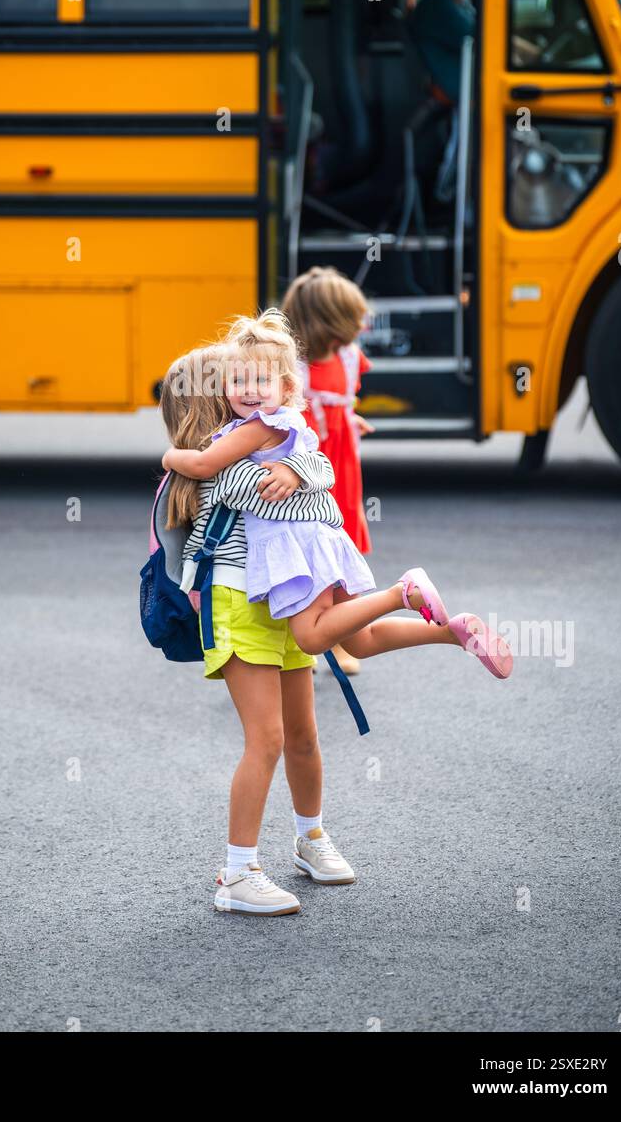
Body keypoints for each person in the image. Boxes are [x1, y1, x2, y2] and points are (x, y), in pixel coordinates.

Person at [161, 326, 513, 917]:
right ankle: (236, 874)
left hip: (283, 594)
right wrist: (304, 470)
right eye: (232, 383)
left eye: (254, 383)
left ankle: (312, 838)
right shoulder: (222, 468)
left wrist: (302, 470)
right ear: (210, 399)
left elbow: (300, 469)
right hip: (240, 603)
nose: (243, 393)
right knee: (270, 739)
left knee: (303, 736)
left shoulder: (245, 453)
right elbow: (275, 477)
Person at [282, 266, 374, 677]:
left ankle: (337, 640)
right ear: (327, 322)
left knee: (341, 548)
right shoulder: (293, 369)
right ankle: (311, 638)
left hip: (343, 469)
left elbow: (344, 403)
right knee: (310, 552)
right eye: (350, 318)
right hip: (309, 474)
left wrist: (349, 421)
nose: (360, 325)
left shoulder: (348, 357)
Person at [411, 0, 477, 204]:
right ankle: (452, 195)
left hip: (466, 95)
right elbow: (483, 38)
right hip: (457, 98)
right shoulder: (435, 5)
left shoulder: (462, 7)